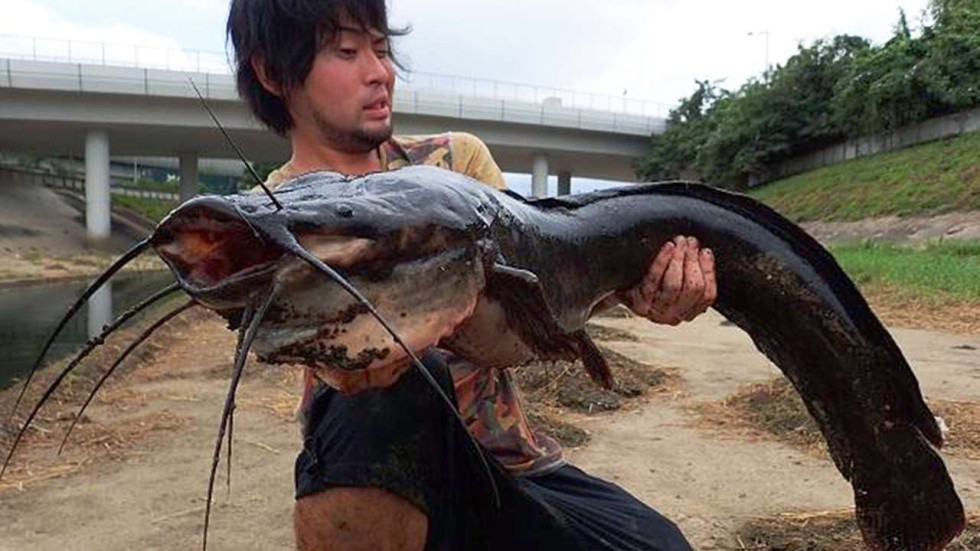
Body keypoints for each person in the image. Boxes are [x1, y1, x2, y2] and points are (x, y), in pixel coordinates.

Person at [226, 1, 716, 549]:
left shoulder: (454, 164)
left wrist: (630, 290)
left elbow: (535, 302)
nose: (379, 72)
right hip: (384, 470)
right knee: (386, 384)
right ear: (272, 72)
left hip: (511, 468)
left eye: (381, 49)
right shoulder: (266, 226)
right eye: (347, 51)